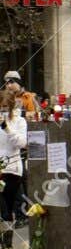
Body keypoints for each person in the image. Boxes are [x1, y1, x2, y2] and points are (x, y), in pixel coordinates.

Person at [0, 80, 28, 239]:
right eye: (0, 107)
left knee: (8, 210)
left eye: (5, 108)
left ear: (11, 108)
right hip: (0, 169)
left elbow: (22, 143)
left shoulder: (19, 121)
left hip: (12, 169)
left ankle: (7, 247)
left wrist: (7, 128)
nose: (2, 111)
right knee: (2, 209)